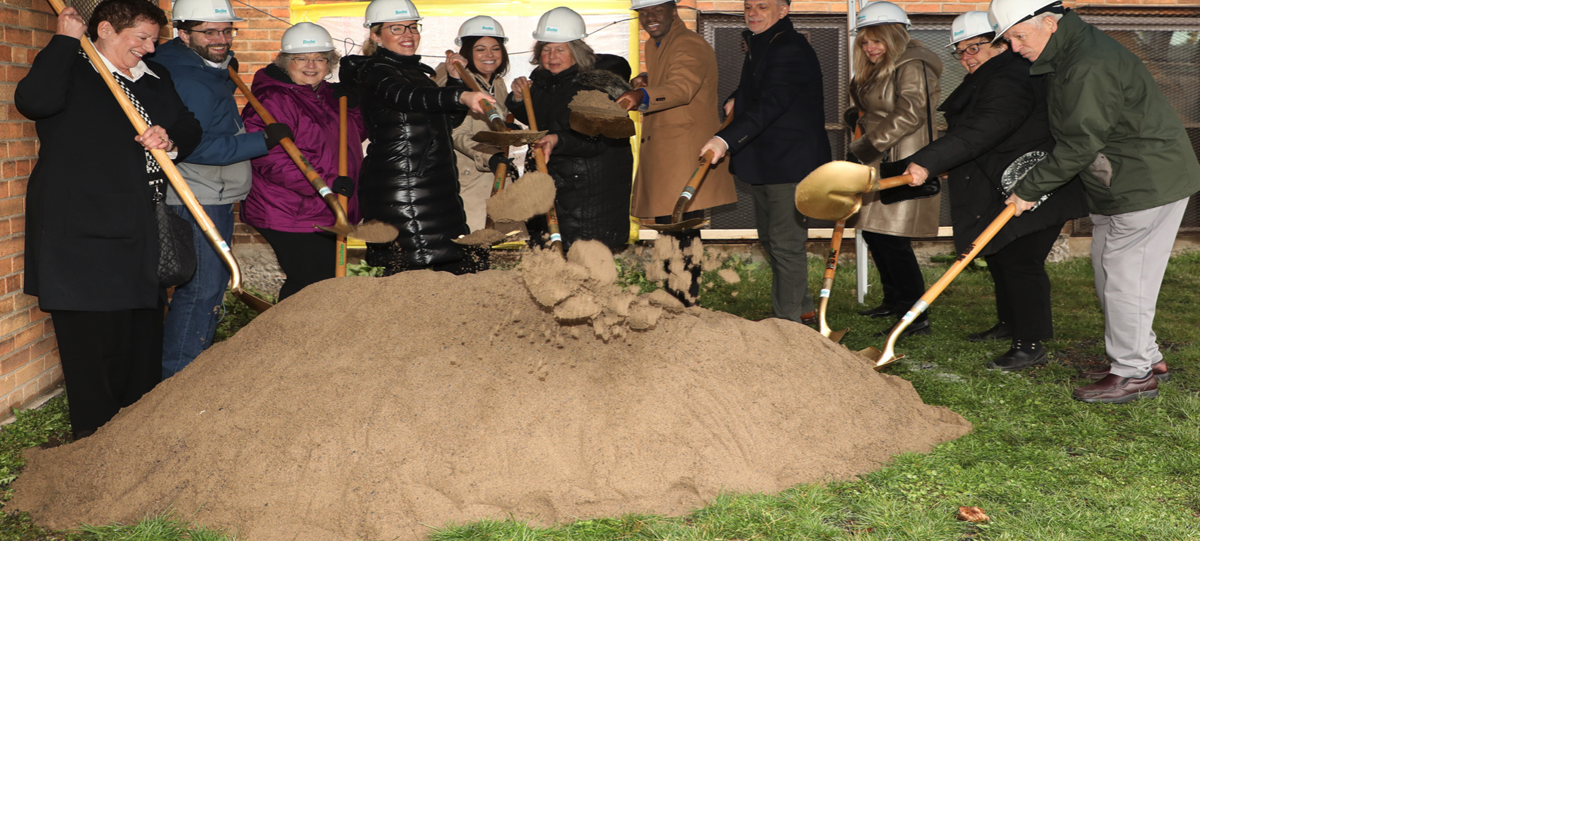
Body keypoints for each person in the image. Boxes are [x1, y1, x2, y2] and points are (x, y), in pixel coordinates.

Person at [993, 0, 1201, 403]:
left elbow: (1080, 142)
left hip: (1144, 180)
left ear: (1049, 23)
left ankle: (1133, 373)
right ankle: (1147, 357)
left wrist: (1028, 190)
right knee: (1110, 270)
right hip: (1118, 180)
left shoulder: (1087, 63)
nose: (1014, 47)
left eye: (1018, 36)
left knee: (1126, 278)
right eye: (1009, 39)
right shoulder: (1071, 52)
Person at [17, 0, 201, 437]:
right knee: (93, 344)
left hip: (141, 226)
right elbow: (34, 101)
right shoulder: (72, 65)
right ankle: (95, 442)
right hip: (81, 232)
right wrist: (64, 40)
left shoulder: (155, 76)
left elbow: (189, 125)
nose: (150, 48)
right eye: (142, 38)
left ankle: (135, 435)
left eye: (154, 39)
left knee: (141, 339)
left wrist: (169, 138)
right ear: (105, 30)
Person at [904, 11, 1086, 371]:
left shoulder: (1011, 78)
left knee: (1021, 260)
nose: (966, 57)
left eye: (974, 47)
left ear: (1002, 44)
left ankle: (1029, 344)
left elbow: (987, 128)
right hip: (1008, 183)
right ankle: (1009, 324)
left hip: (1035, 184)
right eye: (960, 51)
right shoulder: (993, 77)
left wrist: (929, 161)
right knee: (1001, 254)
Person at [155, 0, 291, 379]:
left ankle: (186, 372)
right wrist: (260, 141)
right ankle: (178, 380)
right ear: (183, 33)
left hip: (210, 191)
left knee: (206, 288)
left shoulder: (202, 68)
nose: (221, 38)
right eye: (209, 31)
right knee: (202, 289)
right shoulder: (191, 80)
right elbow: (192, 146)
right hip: (199, 193)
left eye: (227, 30)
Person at [340, 0, 497, 275]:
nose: (408, 34)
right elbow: (405, 97)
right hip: (403, 190)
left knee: (449, 270)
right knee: (414, 273)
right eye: (397, 28)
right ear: (376, 36)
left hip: (433, 186)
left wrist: (455, 80)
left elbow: (445, 121)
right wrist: (461, 95)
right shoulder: (374, 71)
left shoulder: (414, 73)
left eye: (413, 27)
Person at [700, 0, 829, 324]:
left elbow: (772, 101)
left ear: (783, 10)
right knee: (772, 240)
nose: (753, 13)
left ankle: (787, 327)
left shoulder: (790, 48)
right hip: (766, 161)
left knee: (785, 243)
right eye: (748, 6)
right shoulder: (764, 43)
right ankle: (802, 309)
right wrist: (736, 97)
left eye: (762, 6)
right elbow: (759, 87)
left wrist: (724, 140)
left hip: (791, 163)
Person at [616, 0, 736, 306]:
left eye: (657, 10)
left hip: (685, 154)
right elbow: (671, 81)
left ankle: (685, 301)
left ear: (673, 10)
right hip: (668, 153)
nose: (649, 18)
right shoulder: (656, 43)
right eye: (643, 13)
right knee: (670, 231)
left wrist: (641, 94)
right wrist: (647, 81)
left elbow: (682, 87)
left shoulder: (688, 43)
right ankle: (674, 297)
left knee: (682, 230)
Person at [241, 22, 365, 302]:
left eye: (320, 58)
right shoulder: (273, 99)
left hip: (325, 208)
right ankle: (289, 330)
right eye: (301, 58)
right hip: (289, 210)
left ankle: (307, 329)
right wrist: (326, 184)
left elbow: (352, 136)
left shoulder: (328, 95)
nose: (311, 65)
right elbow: (270, 159)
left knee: (321, 284)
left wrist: (356, 107)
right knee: (312, 283)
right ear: (286, 62)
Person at [843, 2, 941, 339]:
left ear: (895, 36)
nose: (870, 48)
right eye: (865, 42)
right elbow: (872, 108)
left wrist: (866, 145)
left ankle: (914, 315)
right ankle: (893, 300)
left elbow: (911, 112)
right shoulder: (881, 65)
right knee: (873, 233)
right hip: (877, 156)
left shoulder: (913, 63)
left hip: (900, 159)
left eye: (877, 41)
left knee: (893, 240)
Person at [506, 7, 635, 252]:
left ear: (576, 50)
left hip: (587, 190)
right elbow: (541, 120)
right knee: (548, 256)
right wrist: (519, 99)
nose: (551, 56)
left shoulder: (598, 85)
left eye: (560, 49)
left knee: (585, 260)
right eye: (546, 49)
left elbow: (598, 136)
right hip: (550, 180)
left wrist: (557, 139)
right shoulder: (544, 80)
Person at [441, 15, 518, 234]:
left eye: (496, 48)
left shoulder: (497, 84)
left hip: (495, 177)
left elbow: (494, 123)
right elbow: (455, 132)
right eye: (480, 49)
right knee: (473, 240)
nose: (489, 55)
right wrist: (489, 156)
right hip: (468, 179)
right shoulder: (458, 82)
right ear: (466, 52)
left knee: (501, 243)